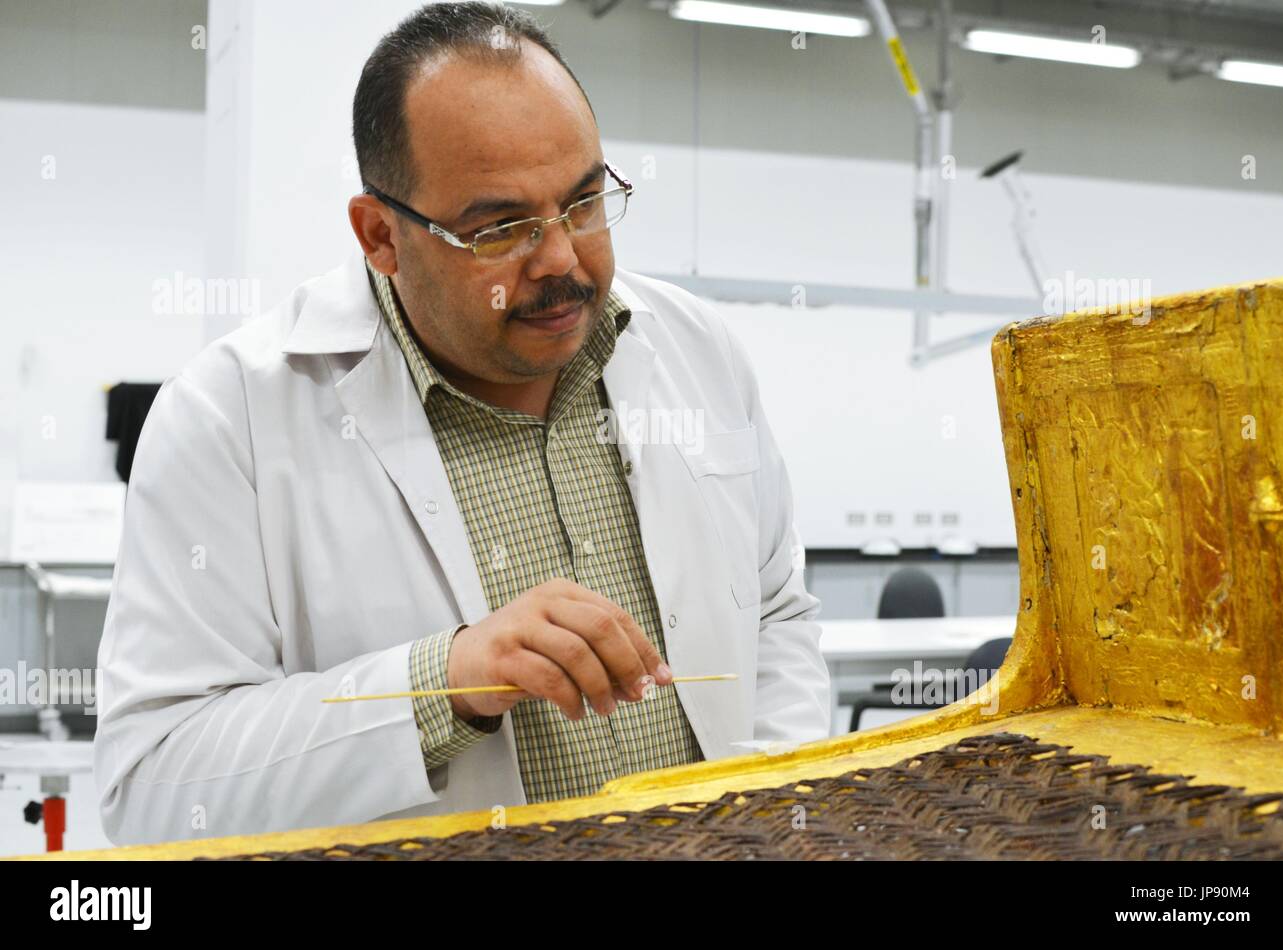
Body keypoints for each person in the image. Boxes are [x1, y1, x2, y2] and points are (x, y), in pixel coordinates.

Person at [95, 1, 829, 846]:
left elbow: (775, 614)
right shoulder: (230, 420)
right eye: (500, 229)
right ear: (381, 236)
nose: (561, 259)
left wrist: (777, 814)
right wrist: (441, 684)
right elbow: (151, 782)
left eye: (586, 202)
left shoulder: (697, 348)